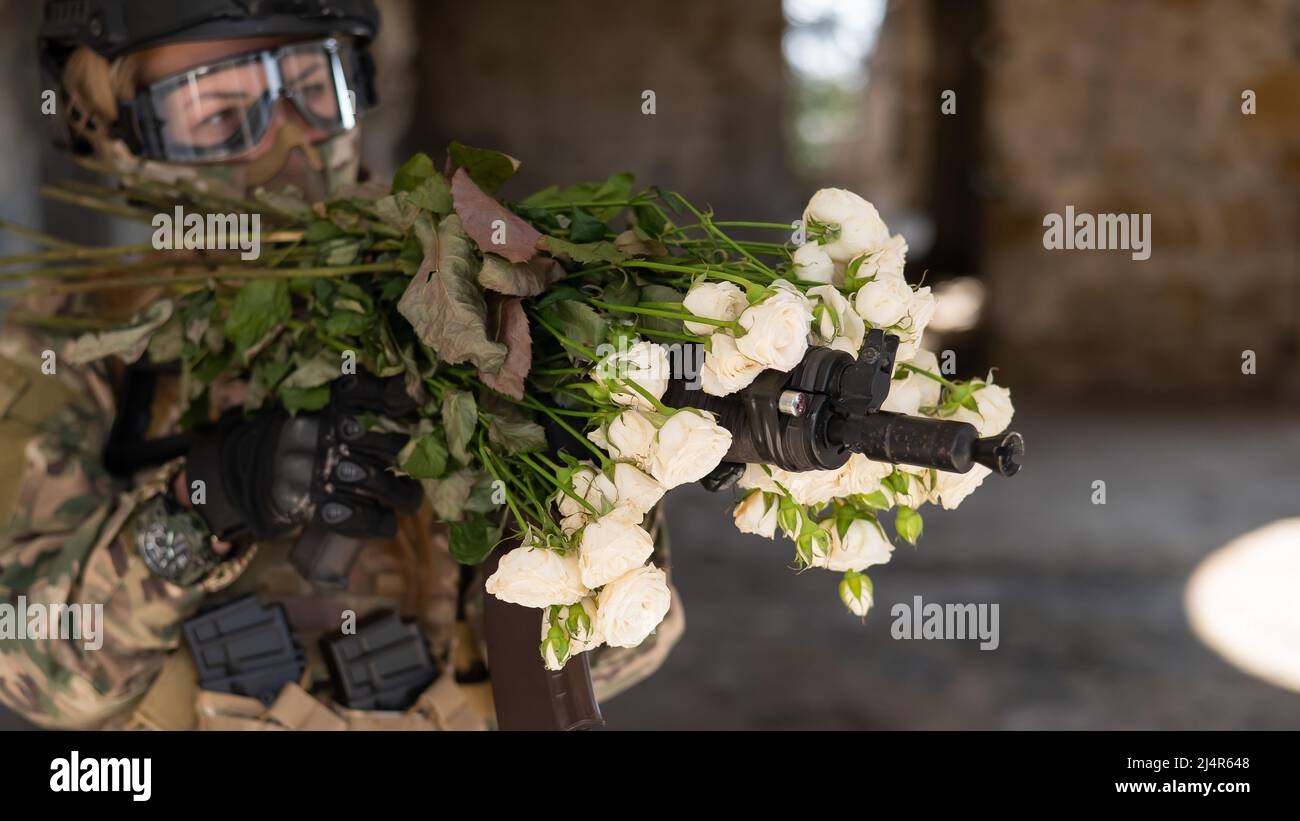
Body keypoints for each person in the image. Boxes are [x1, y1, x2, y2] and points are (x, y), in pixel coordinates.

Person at [0, 0, 682, 730]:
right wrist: (207, 502)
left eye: (313, 87)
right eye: (221, 111)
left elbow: (632, 645)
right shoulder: (71, 340)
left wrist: (585, 485)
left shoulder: (469, 301)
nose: (286, 142)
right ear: (119, 134)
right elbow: (37, 673)